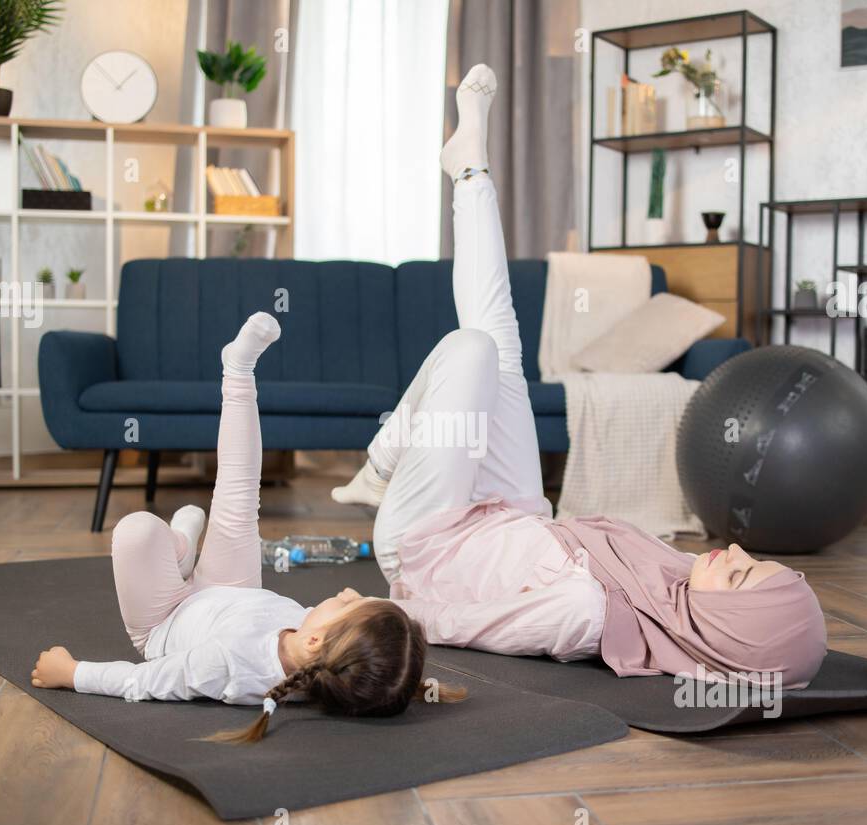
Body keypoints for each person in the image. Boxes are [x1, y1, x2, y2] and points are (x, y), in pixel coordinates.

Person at [329, 64, 828, 689]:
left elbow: (464, 624)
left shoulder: (588, 616)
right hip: (513, 513)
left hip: (428, 545)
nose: (736, 553)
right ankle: (469, 168)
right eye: (754, 563)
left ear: (724, 628)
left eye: (739, 577)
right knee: (497, 340)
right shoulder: (674, 584)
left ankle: (381, 466)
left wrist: (387, 610)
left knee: (470, 350)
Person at [30, 311, 462, 743]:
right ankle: (238, 368)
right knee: (239, 487)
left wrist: (71, 673)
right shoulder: (321, 648)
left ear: (314, 643)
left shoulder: (226, 665)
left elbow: (142, 682)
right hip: (233, 590)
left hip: (164, 619)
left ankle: (179, 550)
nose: (348, 590)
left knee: (137, 530)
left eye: (350, 603)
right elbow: (381, 664)